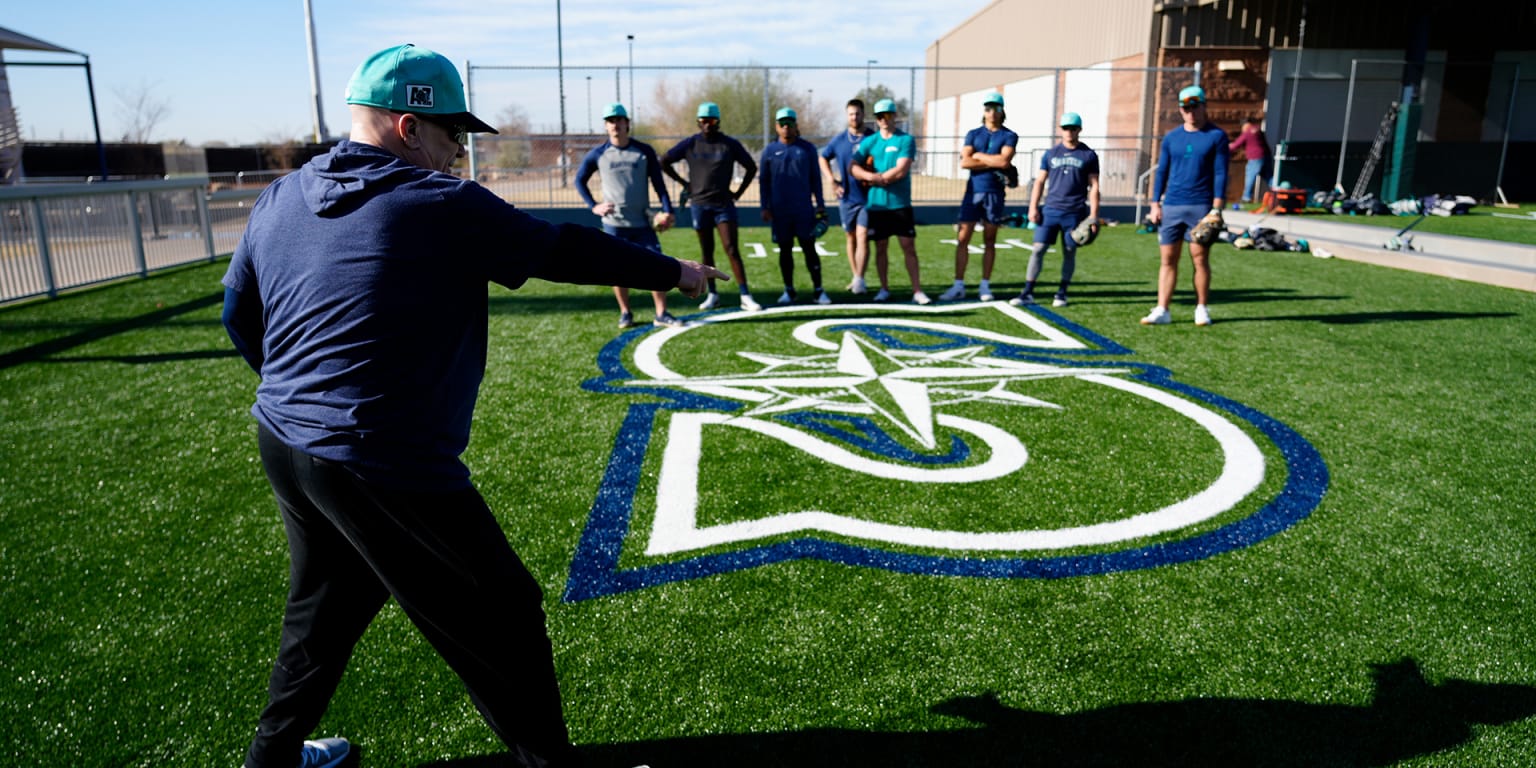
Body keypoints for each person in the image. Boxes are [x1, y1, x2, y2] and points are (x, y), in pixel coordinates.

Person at [220, 44, 722, 768]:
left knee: (323, 614)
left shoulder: (283, 193)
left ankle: (272, 761)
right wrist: (672, 270)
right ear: (407, 127)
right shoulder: (436, 202)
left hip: (286, 441)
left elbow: (239, 312)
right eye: (453, 131)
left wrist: (296, 393)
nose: (460, 149)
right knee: (503, 613)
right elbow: (564, 251)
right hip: (377, 457)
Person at [576, 102, 683, 328]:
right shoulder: (598, 154)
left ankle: (661, 312)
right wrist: (593, 206)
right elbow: (580, 180)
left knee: (658, 265)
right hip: (614, 224)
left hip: (642, 223)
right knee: (617, 270)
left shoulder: (644, 152)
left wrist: (668, 210)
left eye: (619, 120)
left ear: (627, 123)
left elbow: (659, 184)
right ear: (606, 126)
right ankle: (626, 312)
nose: (615, 124)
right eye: (611, 121)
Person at [661, 102, 761, 311]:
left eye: (712, 120)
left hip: (724, 205)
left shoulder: (729, 144)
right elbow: (664, 161)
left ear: (718, 122)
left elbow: (751, 167)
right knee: (707, 252)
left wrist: (739, 193)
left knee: (731, 248)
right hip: (699, 205)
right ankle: (713, 294)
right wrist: (684, 184)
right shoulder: (690, 144)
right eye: (703, 121)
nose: (707, 125)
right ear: (698, 122)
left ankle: (745, 295)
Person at [1143, 85, 1229, 327]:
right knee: (1168, 259)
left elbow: (1221, 173)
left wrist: (1217, 207)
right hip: (1172, 205)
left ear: (1204, 106)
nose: (1191, 112)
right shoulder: (1172, 137)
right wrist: (1155, 203)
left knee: (1199, 258)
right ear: (1181, 110)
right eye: (1186, 108)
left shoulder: (1216, 136)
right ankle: (1163, 309)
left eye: (1195, 107)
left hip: (1200, 205)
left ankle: (1201, 308)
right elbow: (1162, 172)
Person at [1010, 112, 1100, 308]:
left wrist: (1093, 216)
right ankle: (1027, 291)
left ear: (1079, 130)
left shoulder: (1088, 155)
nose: (1069, 132)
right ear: (1061, 130)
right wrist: (1033, 207)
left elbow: (1094, 186)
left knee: (1069, 251)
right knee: (1038, 249)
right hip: (1051, 210)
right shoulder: (1051, 154)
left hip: (1074, 212)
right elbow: (1040, 181)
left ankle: (1062, 292)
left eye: (1073, 128)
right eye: (1066, 128)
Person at [849, 98, 930, 305]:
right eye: (879, 116)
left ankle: (917, 290)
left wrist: (879, 178)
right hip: (877, 204)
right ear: (875, 120)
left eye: (887, 115)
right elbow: (853, 166)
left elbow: (902, 170)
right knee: (880, 247)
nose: (883, 120)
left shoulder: (905, 140)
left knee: (908, 246)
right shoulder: (870, 141)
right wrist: (869, 177)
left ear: (894, 116)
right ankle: (884, 288)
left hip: (900, 203)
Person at [941, 92, 1018, 302]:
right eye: (988, 108)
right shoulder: (973, 133)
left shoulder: (1009, 135)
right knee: (963, 238)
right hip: (972, 192)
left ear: (1002, 111)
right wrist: (990, 160)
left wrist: (979, 156)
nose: (991, 113)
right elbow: (965, 162)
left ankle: (985, 285)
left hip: (994, 193)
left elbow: (1004, 162)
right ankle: (958, 284)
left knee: (990, 240)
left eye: (996, 108)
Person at [759, 107, 830, 305]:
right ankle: (789, 290)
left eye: (789, 123)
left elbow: (816, 179)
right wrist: (764, 206)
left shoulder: (807, 149)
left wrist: (821, 206)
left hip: (803, 211)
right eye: (782, 124)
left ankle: (818, 290)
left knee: (809, 249)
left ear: (796, 126)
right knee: (785, 251)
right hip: (780, 212)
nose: (786, 127)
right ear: (776, 126)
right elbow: (763, 181)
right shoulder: (770, 151)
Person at [818, 99, 875, 294]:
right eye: (851, 114)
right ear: (847, 115)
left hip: (868, 198)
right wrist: (832, 181)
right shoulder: (840, 140)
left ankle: (860, 278)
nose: (854, 117)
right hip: (846, 198)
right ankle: (856, 275)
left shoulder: (872, 137)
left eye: (858, 113)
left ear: (863, 114)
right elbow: (823, 157)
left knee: (863, 236)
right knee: (850, 237)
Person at [1229, 116, 1272, 207]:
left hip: (1255, 158)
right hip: (1266, 156)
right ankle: (1279, 191)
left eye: (1243, 125)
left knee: (1250, 176)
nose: (1242, 128)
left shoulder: (1248, 133)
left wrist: (1225, 147)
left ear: (1247, 124)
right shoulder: (1258, 131)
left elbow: (1236, 145)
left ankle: (1246, 197)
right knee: (1269, 177)